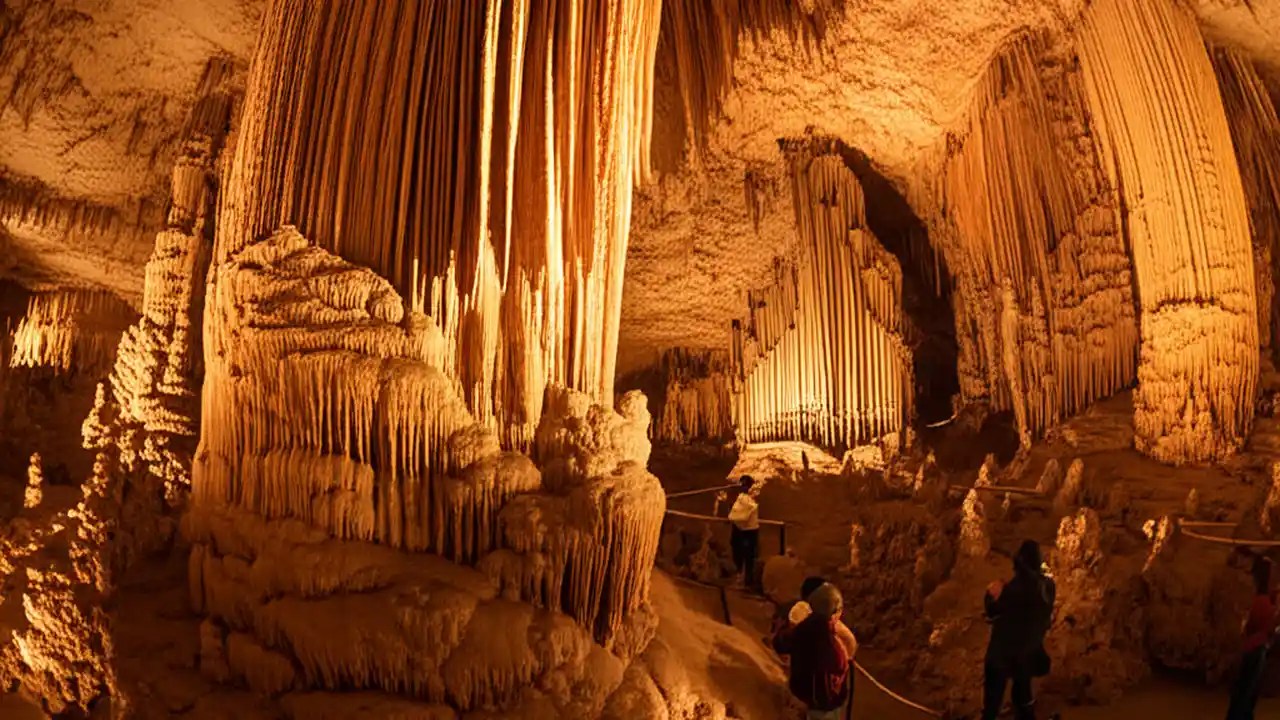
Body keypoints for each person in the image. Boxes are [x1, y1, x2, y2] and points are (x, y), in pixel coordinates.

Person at [983, 539, 1056, 720]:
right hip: (1028, 652)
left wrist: (992, 595)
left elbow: (992, 612)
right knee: (1022, 693)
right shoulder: (1047, 587)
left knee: (993, 699)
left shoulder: (1014, 589)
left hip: (1003, 654)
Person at [773, 583, 856, 719]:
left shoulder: (801, 629)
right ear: (835, 613)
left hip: (802, 695)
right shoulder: (830, 640)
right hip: (823, 704)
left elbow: (780, 643)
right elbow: (841, 664)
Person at [1226, 556, 1276, 720]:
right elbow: (1263, 627)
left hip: (1252, 647)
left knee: (1245, 690)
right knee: (1247, 691)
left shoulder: (1259, 601)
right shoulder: (1263, 603)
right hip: (1256, 648)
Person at [728, 475, 760, 587]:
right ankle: (745, 578)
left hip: (745, 531)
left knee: (745, 556)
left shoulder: (743, 500)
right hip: (747, 532)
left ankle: (744, 578)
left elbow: (735, 516)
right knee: (747, 557)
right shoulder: (745, 501)